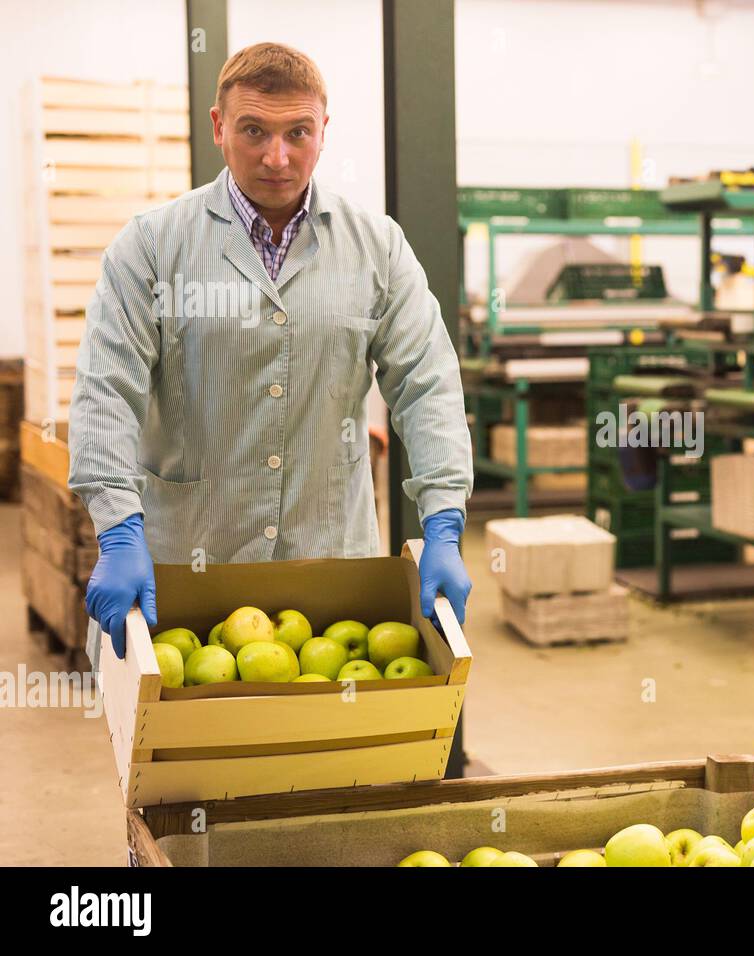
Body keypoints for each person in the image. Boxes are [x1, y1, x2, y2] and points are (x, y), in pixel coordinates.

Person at [69, 43, 473, 664]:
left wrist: (443, 517)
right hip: (182, 572)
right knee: (182, 752)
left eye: (298, 133)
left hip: (331, 571)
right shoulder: (151, 248)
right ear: (218, 127)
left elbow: (428, 383)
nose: (277, 157)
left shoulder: (377, 248)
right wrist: (118, 527)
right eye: (254, 130)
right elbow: (106, 391)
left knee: (332, 753)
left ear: (323, 131)